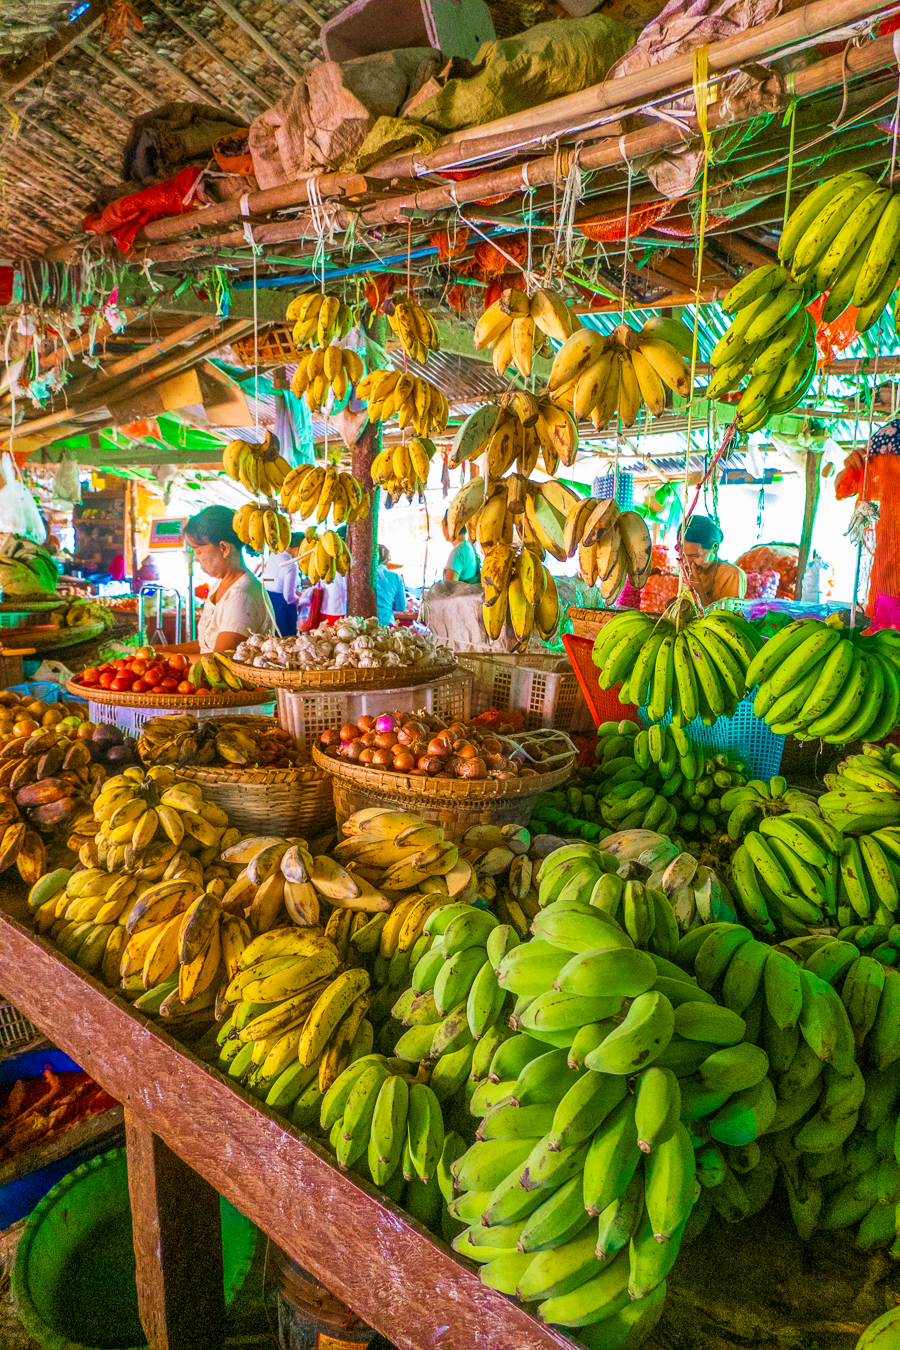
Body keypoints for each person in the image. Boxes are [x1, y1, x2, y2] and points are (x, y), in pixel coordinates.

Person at [185, 505, 276, 653]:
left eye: (199, 551)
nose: (196, 559)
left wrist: (165, 658)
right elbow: (203, 647)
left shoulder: (242, 595)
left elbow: (219, 661)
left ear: (224, 548)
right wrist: (160, 652)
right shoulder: (218, 586)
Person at [681, 515, 747, 606]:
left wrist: (698, 592)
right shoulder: (684, 570)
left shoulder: (731, 575)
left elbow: (726, 618)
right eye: (683, 555)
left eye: (695, 556)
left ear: (714, 548)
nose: (688, 563)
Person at [262, 532, 301, 636]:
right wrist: (302, 600)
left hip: (268, 597)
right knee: (284, 638)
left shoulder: (274, 554)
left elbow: (273, 579)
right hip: (282, 605)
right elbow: (288, 597)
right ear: (297, 549)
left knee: (271, 633)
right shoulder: (291, 565)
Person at [442, 512, 480, 584]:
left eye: (443, 524)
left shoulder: (458, 552)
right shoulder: (469, 547)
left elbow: (448, 590)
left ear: (449, 525)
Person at [375, 544, 407, 626]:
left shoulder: (361, 575)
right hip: (387, 623)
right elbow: (401, 607)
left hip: (363, 624)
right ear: (388, 559)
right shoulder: (397, 578)